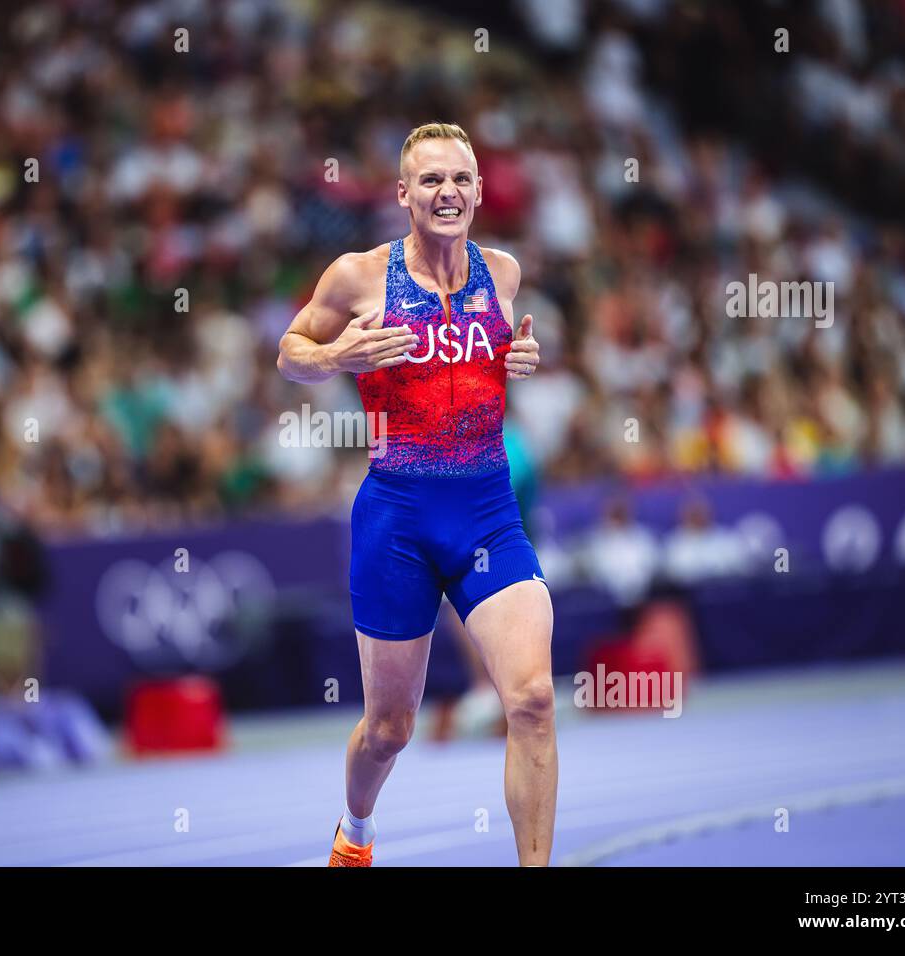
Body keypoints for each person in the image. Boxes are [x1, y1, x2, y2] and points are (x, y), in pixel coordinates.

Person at [277, 122, 557, 866]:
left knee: (530, 699)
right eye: (431, 180)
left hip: (487, 513)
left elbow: (494, 353)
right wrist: (339, 354)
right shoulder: (359, 276)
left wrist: (517, 355)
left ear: (478, 190)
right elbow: (290, 353)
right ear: (403, 194)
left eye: (460, 179)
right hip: (396, 516)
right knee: (388, 729)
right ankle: (356, 832)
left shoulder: (502, 272)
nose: (448, 193)